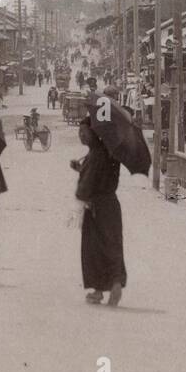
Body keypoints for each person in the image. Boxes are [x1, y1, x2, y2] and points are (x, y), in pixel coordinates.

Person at [71, 117, 126, 306]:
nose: (80, 135)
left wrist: (80, 189)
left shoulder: (95, 155)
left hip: (96, 209)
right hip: (111, 204)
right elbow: (101, 177)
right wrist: (81, 169)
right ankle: (116, 283)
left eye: (83, 132)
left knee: (94, 250)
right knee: (112, 246)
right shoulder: (107, 153)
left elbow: (87, 186)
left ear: (94, 134)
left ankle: (98, 291)